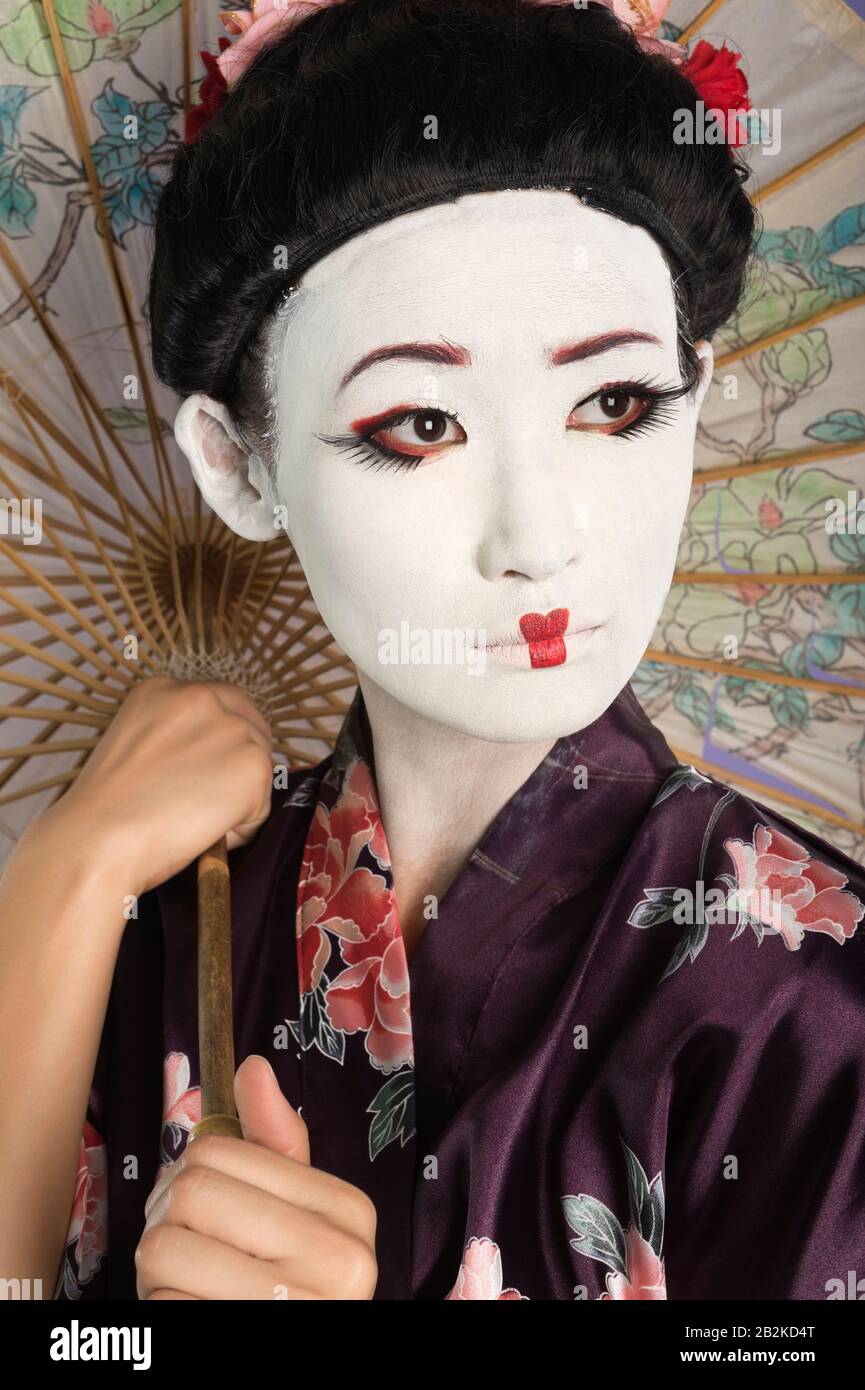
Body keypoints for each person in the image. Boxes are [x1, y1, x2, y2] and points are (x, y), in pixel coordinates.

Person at [2, 0, 864, 1302]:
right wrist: (63, 881)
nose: (538, 535)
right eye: (418, 421)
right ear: (236, 469)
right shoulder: (142, 928)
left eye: (615, 403)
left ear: (696, 382)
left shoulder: (811, 1003)